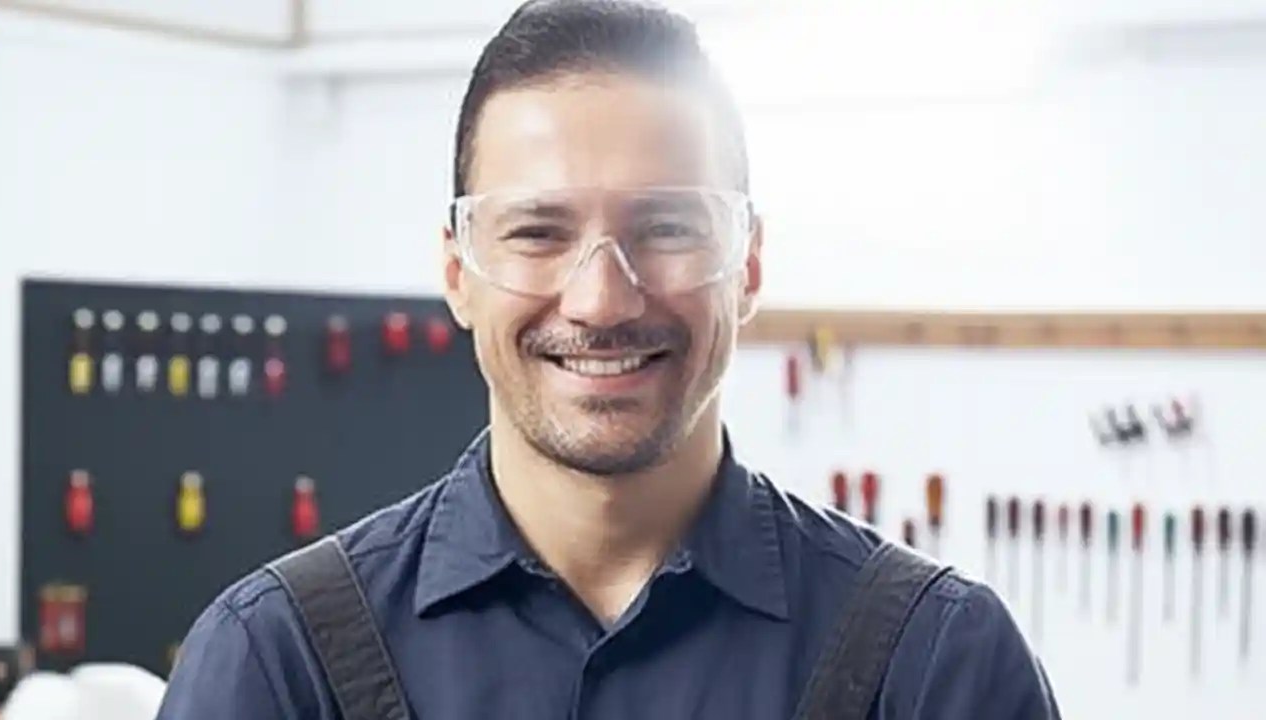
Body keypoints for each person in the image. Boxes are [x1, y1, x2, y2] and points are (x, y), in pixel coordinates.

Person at [157, 1, 1061, 717]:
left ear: (746, 265)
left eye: (665, 227)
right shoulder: (276, 668)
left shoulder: (939, 670)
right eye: (538, 231)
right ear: (457, 274)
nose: (600, 298)